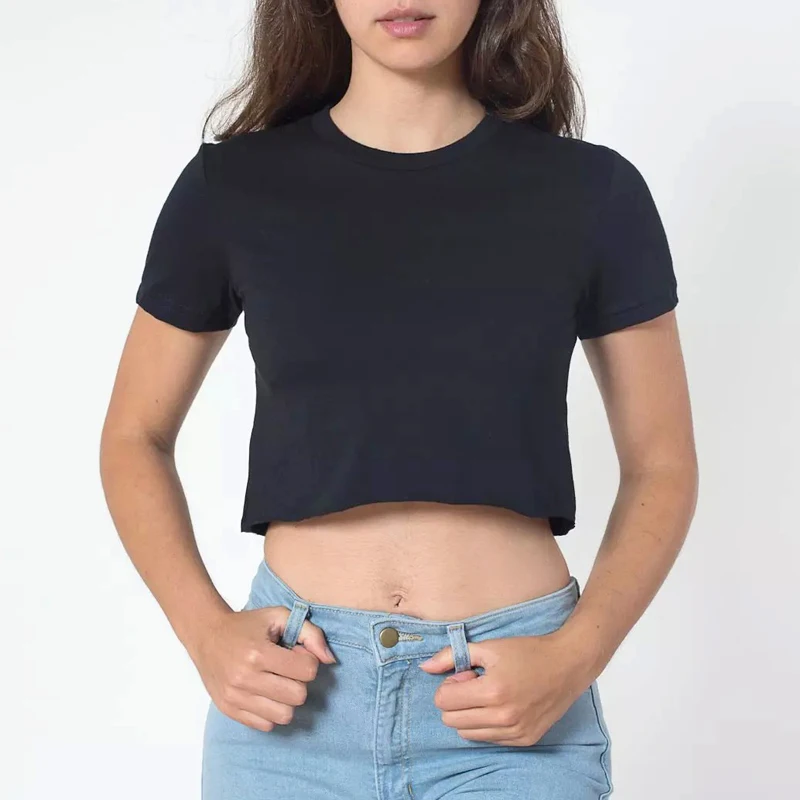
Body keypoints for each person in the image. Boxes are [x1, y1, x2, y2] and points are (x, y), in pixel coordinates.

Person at [100, 1, 698, 798]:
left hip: (512, 709)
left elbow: (662, 465)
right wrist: (204, 631)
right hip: (290, 712)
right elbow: (134, 436)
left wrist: (574, 656)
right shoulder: (233, 187)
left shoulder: (593, 192)